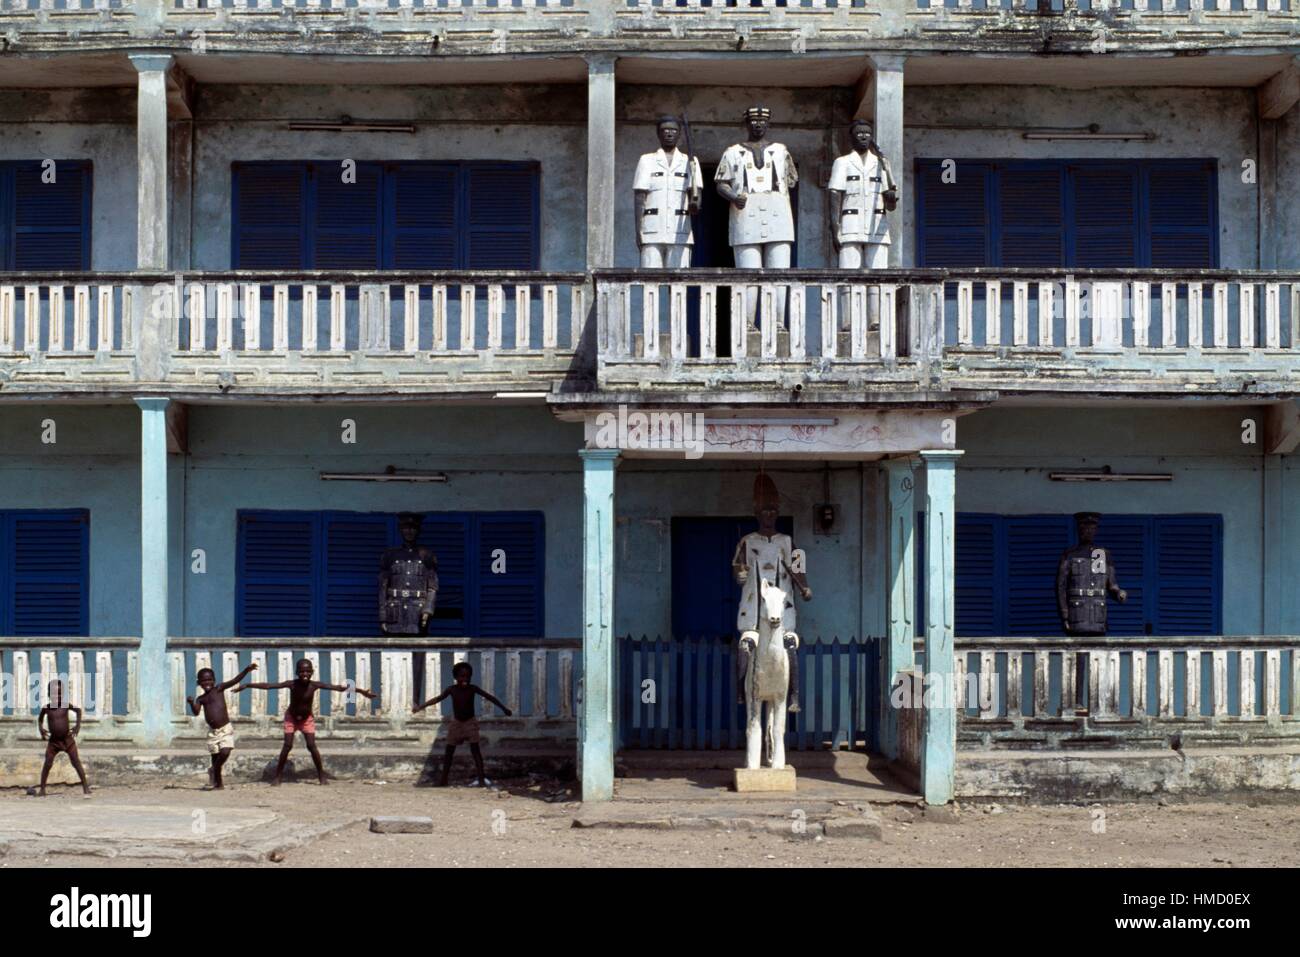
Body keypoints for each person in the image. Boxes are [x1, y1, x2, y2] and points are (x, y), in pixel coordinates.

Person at [731, 474, 811, 713]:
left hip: (782, 610)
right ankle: (740, 692)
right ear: (757, 514)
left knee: (790, 645)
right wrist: (740, 575)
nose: (768, 516)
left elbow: (800, 570)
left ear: (777, 514)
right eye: (764, 511)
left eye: (772, 512)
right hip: (753, 608)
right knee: (745, 645)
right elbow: (738, 568)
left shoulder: (788, 542)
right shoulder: (747, 541)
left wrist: (805, 587)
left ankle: (794, 696)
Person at [715, 106, 798, 329]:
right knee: (748, 276)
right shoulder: (732, 152)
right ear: (747, 124)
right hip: (746, 216)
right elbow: (721, 183)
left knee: (779, 274)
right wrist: (733, 196)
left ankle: (777, 323)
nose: (758, 125)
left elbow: (791, 180)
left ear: (768, 124)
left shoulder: (781, 151)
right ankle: (747, 323)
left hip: (778, 214)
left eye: (762, 122)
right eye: (754, 122)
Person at [237, 659, 376, 785]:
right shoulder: (291, 684)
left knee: (311, 746)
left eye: (308, 671)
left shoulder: (315, 685)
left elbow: (339, 688)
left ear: (312, 672)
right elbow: (269, 686)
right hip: (291, 717)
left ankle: (321, 775)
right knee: (287, 746)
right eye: (302, 671)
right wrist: (248, 685)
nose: (305, 673)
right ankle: (277, 776)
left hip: (306, 719)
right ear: (297, 672)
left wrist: (362, 692)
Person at [1056, 512, 1127, 711]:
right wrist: (1064, 614)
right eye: (1084, 528)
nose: (1088, 531)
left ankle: (1096, 702)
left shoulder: (1100, 555)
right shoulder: (1070, 555)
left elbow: (1109, 584)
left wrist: (1118, 592)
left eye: (1091, 528)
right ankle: (1077, 701)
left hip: (1096, 615)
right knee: (1077, 662)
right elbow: (1061, 587)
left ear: (1096, 530)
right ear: (1078, 530)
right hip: (1078, 616)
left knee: (1098, 660)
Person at [413, 662, 512, 788]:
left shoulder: (473, 689)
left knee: (475, 751)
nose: (464, 679)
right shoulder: (451, 689)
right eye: (461, 676)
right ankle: (444, 780)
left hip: (470, 723)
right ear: (456, 677)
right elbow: (437, 699)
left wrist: (504, 709)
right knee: (449, 751)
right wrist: (421, 707)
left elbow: (489, 697)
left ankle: (481, 779)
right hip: (457, 723)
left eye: (467, 676)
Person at [633, 114, 703, 268]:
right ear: (658, 133)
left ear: (678, 134)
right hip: (651, 231)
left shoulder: (689, 161)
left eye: (673, 130)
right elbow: (639, 198)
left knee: (679, 283)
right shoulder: (647, 160)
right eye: (664, 130)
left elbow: (697, 195)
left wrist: (695, 205)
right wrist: (638, 232)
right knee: (650, 283)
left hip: (680, 232)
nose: (669, 133)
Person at [188, 661, 257, 790]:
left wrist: (246, 670)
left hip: (225, 729)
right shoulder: (201, 699)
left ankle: (213, 770)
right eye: (203, 681)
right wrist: (191, 703)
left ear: (214, 680)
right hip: (213, 732)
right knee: (215, 758)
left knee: (225, 752)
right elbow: (196, 712)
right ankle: (218, 784)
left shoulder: (219, 689)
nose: (207, 683)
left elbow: (235, 680)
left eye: (209, 680)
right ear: (199, 683)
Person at [379, 512, 439, 637]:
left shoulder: (426, 555)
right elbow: (383, 588)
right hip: (394, 614)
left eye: (413, 528)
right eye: (405, 528)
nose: (409, 531)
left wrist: (428, 610)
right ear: (400, 530)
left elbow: (432, 587)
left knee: (418, 654)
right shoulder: (390, 556)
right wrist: (383, 616)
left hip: (417, 615)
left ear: (418, 531)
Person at [38, 679, 90, 796]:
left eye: (59, 694)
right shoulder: (46, 708)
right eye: (54, 694)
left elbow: (78, 711)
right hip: (54, 742)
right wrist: (41, 729)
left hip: (68, 741)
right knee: (47, 764)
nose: (57, 696)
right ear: (49, 694)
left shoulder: (66, 705)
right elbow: (40, 720)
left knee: (76, 762)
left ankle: (86, 787)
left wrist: (77, 726)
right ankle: (42, 789)